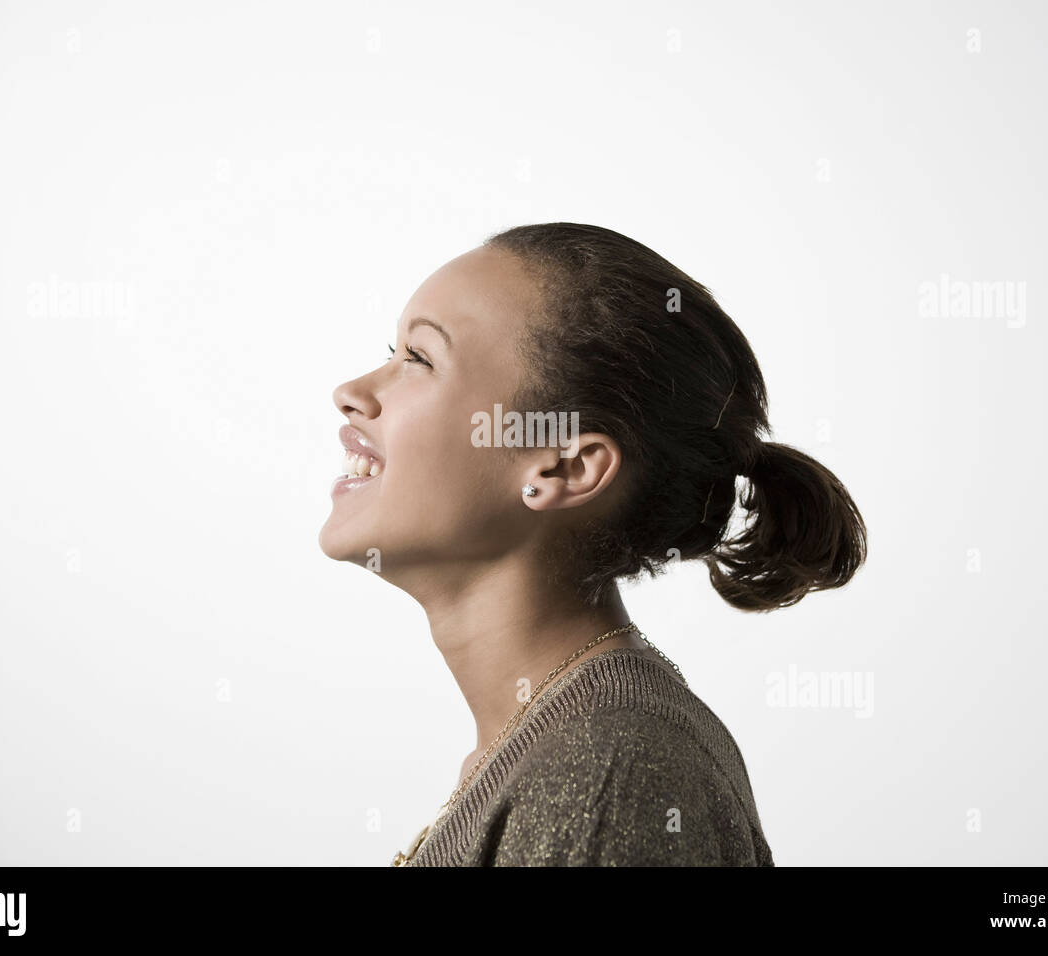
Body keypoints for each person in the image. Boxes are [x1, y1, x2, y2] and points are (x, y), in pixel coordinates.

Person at [319, 222, 868, 866]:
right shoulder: (566, 746)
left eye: (419, 359)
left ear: (566, 469)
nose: (351, 393)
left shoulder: (605, 772)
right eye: (393, 351)